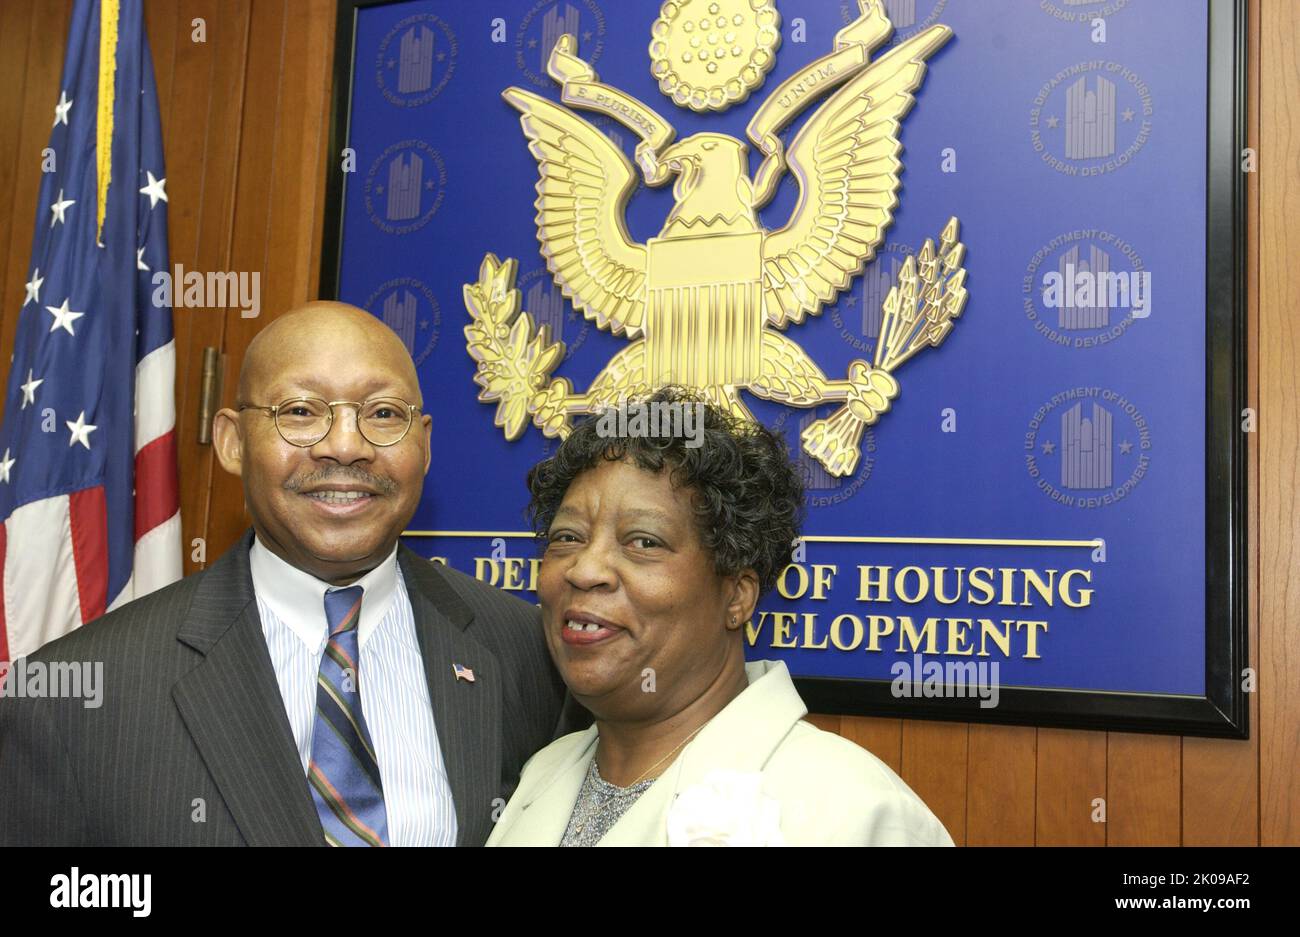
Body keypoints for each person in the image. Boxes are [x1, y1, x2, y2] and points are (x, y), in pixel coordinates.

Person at [0, 301, 567, 846]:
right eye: (300, 411)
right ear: (232, 442)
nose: (346, 447)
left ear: (424, 445)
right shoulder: (71, 698)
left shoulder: (528, 653)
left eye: (383, 414)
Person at [487, 388, 953, 846]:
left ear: (737, 596)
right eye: (567, 536)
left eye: (644, 542)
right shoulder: (541, 775)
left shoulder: (854, 813)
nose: (584, 570)